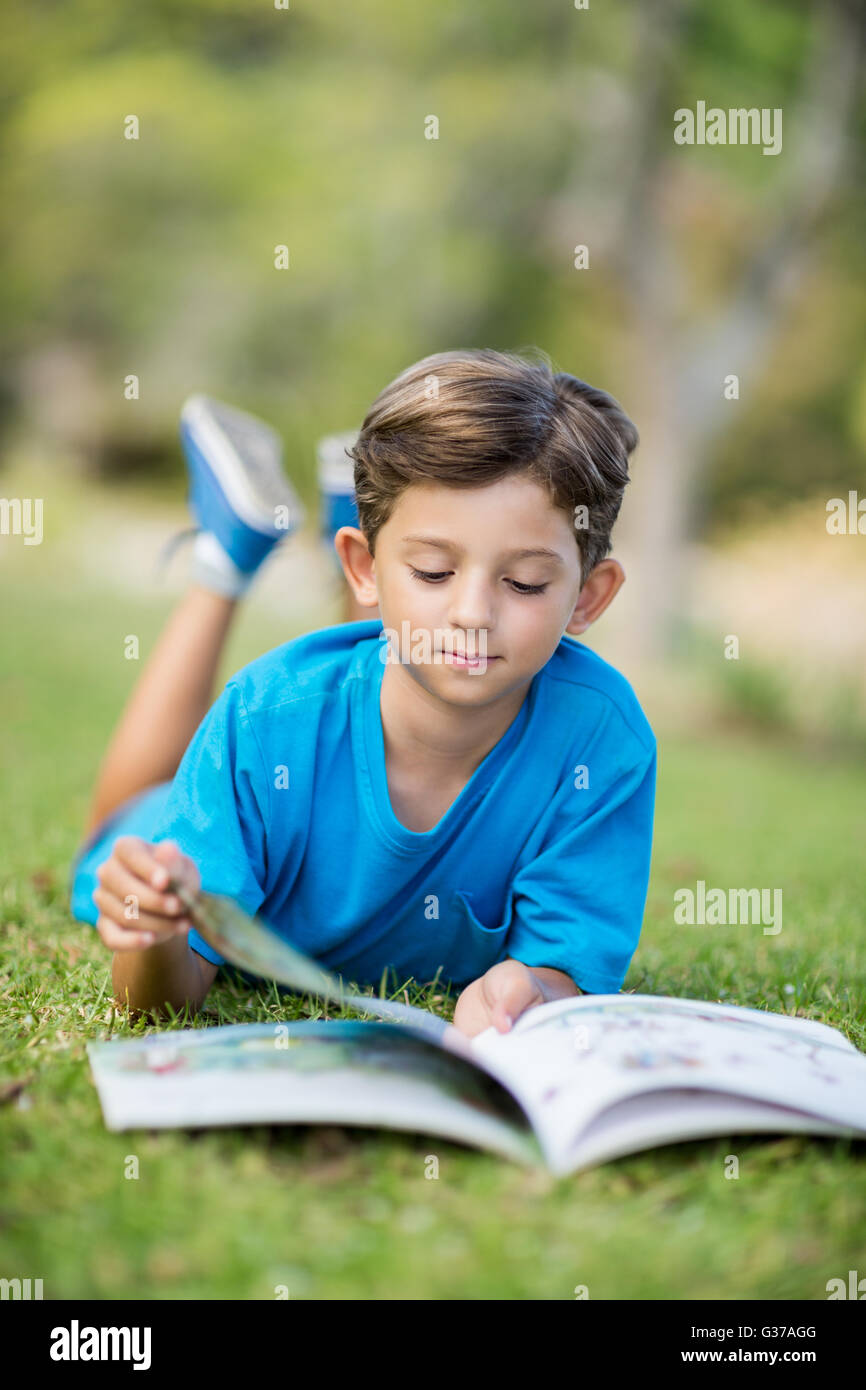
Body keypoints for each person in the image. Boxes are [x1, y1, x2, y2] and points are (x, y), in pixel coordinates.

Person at [69, 347, 657, 1038]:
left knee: (408, 650)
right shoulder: (264, 721)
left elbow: (561, 971)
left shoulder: (600, 740)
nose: (474, 613)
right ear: (364, 568)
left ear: (589, 596)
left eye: (525, 583)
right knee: (118, 822)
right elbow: (157, 1004)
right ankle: (227, 553)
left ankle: (356, 531)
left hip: (340, 712)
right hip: (199, 814)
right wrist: (152, 928)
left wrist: (526, 987)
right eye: (435, 571)